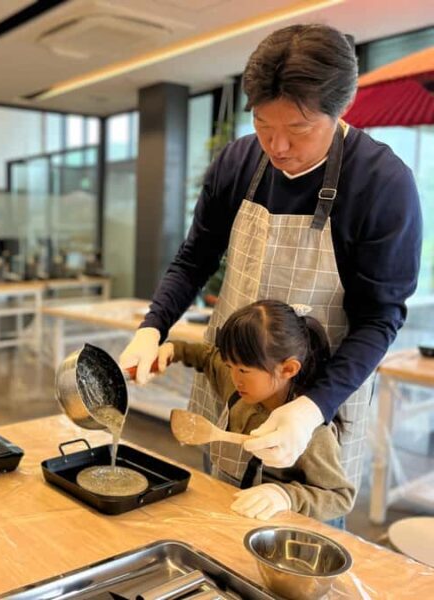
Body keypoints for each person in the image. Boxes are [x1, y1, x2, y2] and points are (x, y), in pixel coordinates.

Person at [120, 24, 422, 487]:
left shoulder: (382, 184)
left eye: (299, 128)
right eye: (263, 124)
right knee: (216, 521)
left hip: (319, 406)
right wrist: (152, 327)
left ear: (341, 109)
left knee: (299, 536)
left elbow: (380, 318)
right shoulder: (237, 163)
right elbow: (194, 258)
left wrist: (309, 409)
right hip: (233, 390)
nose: (278, 147)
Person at [159, 300, 354, 523]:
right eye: (230, 366)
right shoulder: (237, 383)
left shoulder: (311, 430)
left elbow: (340, 496)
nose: (234, 377)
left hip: (284, 533)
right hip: (237, 514)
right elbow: (207, 356)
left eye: (243, 370)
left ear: (288, 369)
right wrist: (173, 349)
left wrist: (287, 496)